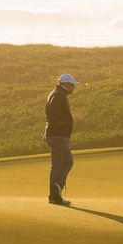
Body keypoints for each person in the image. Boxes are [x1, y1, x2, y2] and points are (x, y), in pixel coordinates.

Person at [44, 72, 78, 206]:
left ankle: (55, 192)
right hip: (58, 136)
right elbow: (56, 115)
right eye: (73, 85)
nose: (74, 88)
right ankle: (55, 191)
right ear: (66, 85)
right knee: (63, 163)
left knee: (62, 163)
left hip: (56, 135)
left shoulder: (56, 93)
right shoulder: (59, 96)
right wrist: (63, 126)